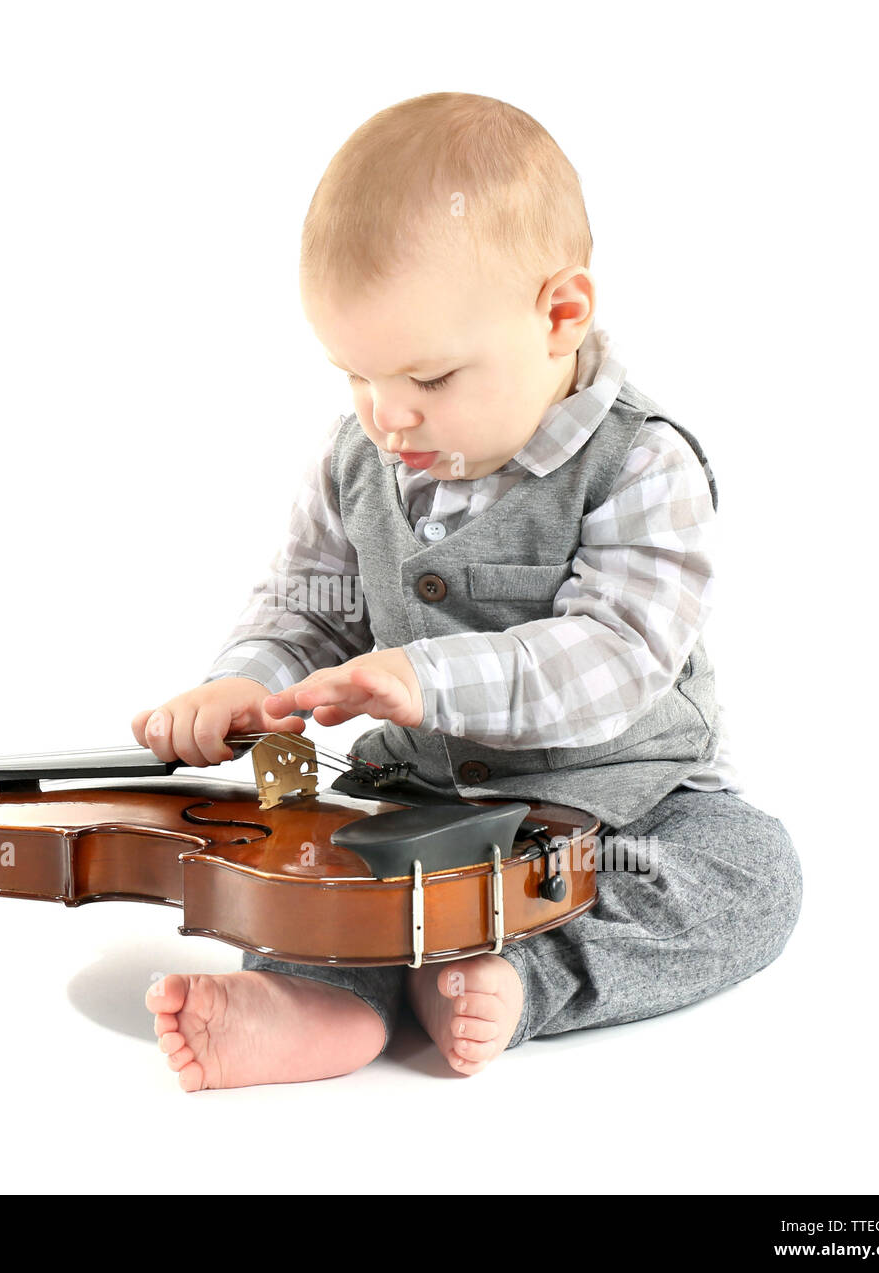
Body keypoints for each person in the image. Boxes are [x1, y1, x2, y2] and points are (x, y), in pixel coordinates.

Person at [134, 91, 802, 1092]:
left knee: (753, 874)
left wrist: (427, 678)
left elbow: (617, 657)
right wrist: (246, 680)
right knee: (313, 862)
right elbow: (309, 603)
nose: (386, 414)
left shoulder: (644, 464)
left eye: (429, 377)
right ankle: (321, 1002)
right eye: (353, 375)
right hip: (419, 806)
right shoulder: (363, 455)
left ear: (559, 314)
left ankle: (523, 975)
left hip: (620, 811)